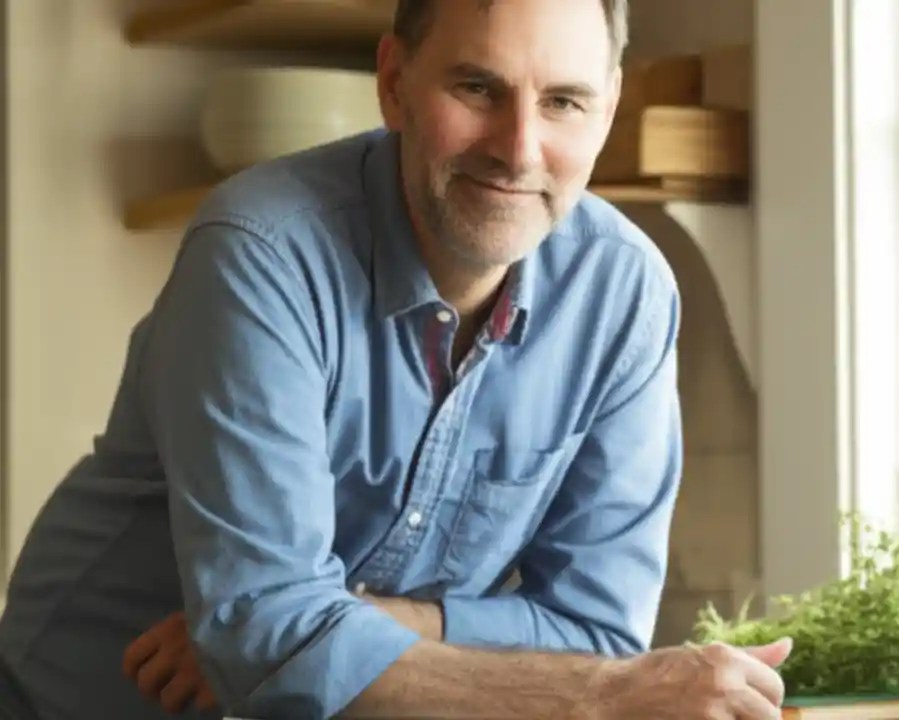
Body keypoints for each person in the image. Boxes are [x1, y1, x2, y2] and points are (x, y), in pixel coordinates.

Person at [0, 0, 793, 718]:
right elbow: (268, 641)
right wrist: (607, 696)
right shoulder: (261, 253)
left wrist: (360, 622)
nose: (519, 150)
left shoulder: (625, 294)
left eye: (563, 102)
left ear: (609, 108)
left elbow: (596, 626)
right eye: (478, 89)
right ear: (393, 83)